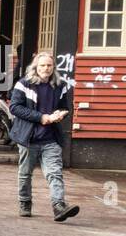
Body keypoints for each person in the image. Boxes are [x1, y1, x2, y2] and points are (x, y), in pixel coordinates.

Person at [10, 51, 78, 221]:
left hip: (50, 138)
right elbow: (15, 108)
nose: (46, 68)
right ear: (35, 67)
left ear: (53, 67)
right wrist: (41, 117)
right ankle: (25, 202)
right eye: (42, 65)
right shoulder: (23, 84)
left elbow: (65, 107)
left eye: (49, 65)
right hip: (29, 137)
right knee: (25, 173)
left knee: (55, 173)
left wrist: (61, 113)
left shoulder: (60, 85)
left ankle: (59, 206)